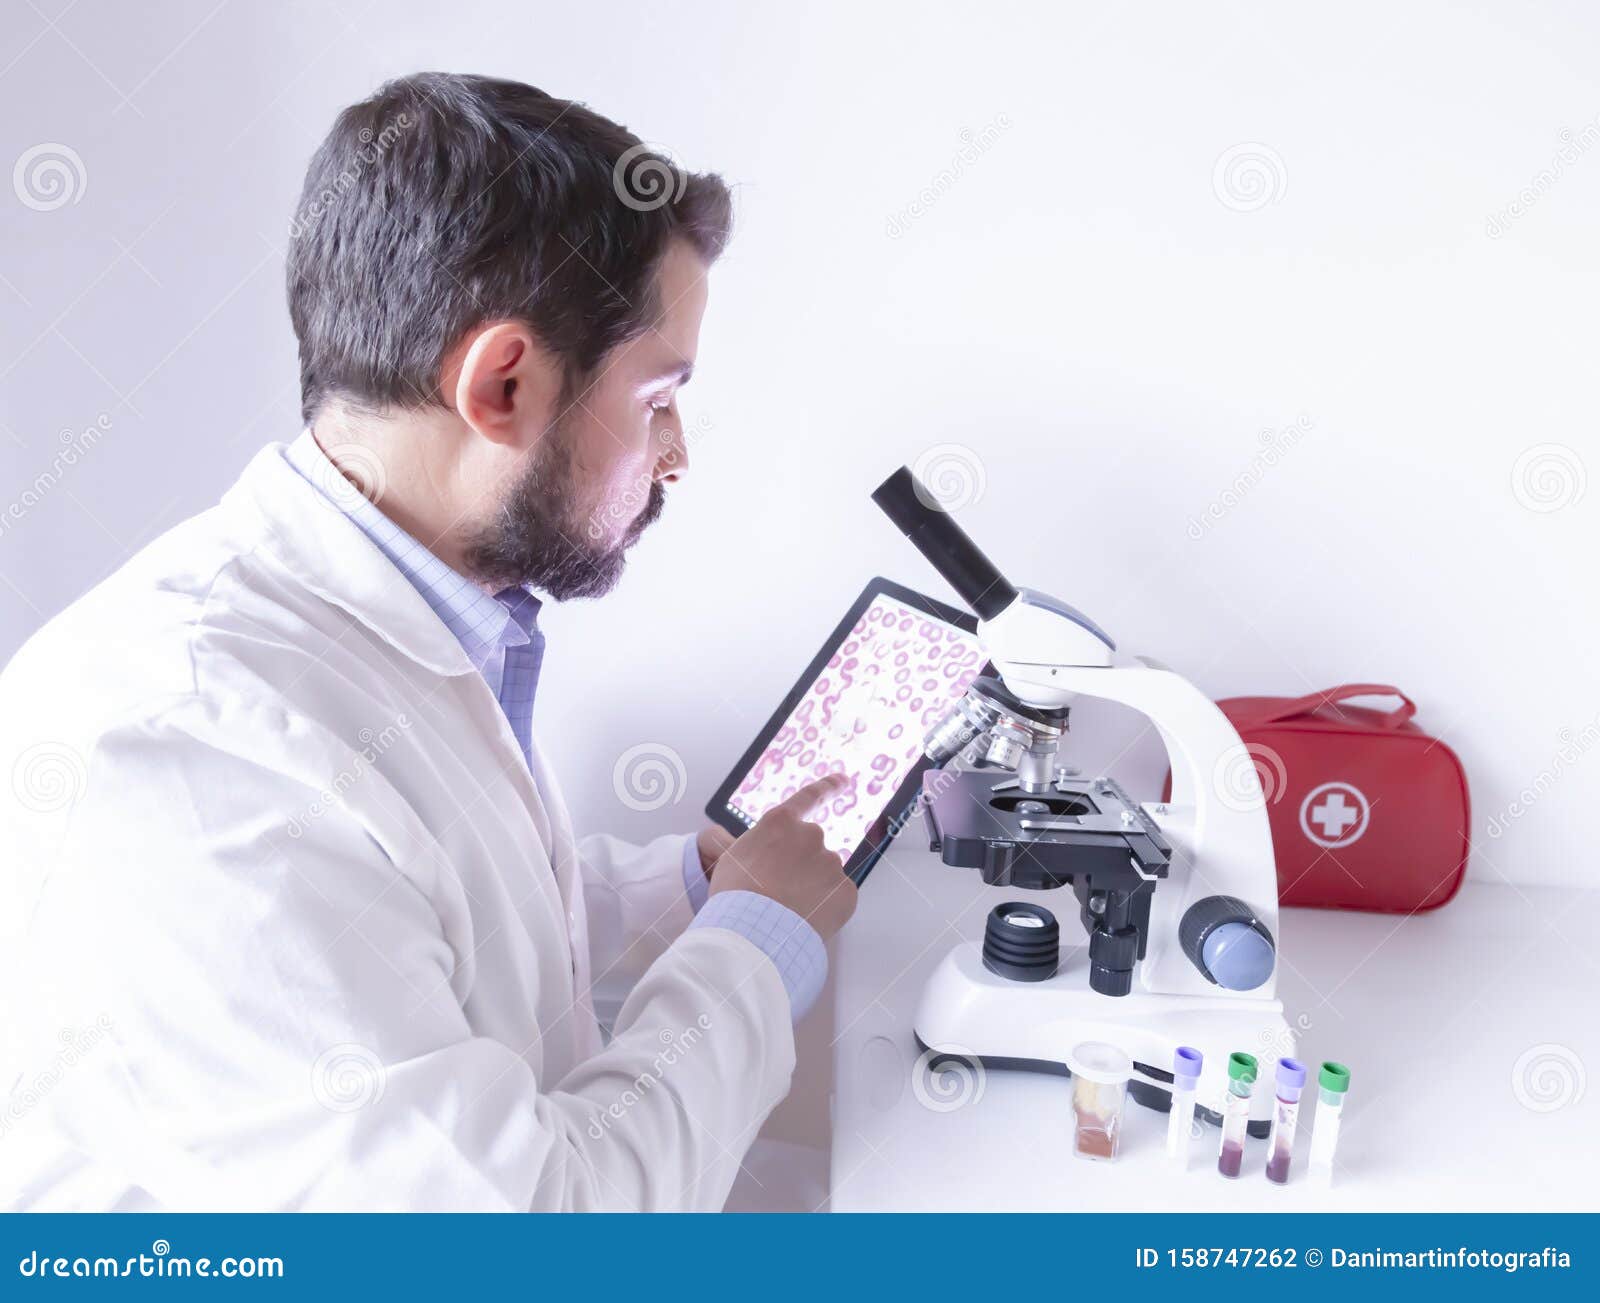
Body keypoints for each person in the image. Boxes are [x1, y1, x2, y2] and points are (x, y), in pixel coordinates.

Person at [0, 72, 857, 1211]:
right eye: (657, 398)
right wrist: (755, 947)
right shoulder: (192, 756)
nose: (677, 454)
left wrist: (689, 888)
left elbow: (429, 926)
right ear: (501, 383)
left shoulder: (405, 617)